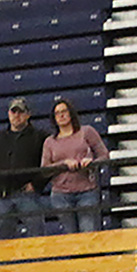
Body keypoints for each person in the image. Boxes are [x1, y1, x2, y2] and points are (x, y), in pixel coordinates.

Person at [0, 96, 50, 238]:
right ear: (8, 114)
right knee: (4, 241)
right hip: (3, 196)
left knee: (37, 236)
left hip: (28, 194)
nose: (17, 115)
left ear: (28, 114)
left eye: (21, 112)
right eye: (14, 112)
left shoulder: (40, 137)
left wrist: (36, 184)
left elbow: (48, 164)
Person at [44, 98, 111, 234]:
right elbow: (45, 169)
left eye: (64, 111)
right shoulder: (50, 142)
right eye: (57, 113)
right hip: (61, 194)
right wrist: (63, 164)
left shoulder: (86, 132)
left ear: (71, 113)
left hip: (86, 190)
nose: (61, 115)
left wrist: (91, 163)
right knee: (70, 234)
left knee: (88, 230)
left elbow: (104, 155)